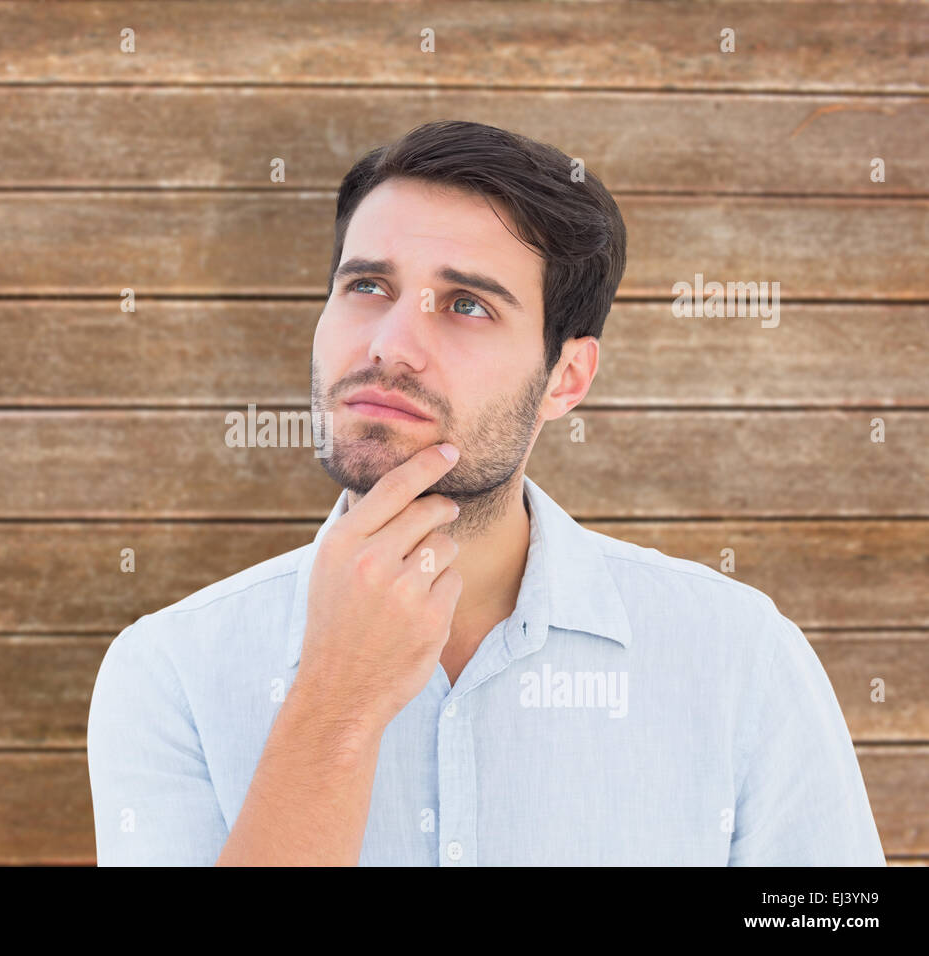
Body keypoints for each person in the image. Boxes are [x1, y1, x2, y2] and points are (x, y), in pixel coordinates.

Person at [87, 120, 886, 866]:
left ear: (565, 379)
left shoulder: (738, 656)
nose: (389, 344)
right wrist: (336, 706)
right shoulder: (170, 672)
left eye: (466, 304)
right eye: (367, 285)